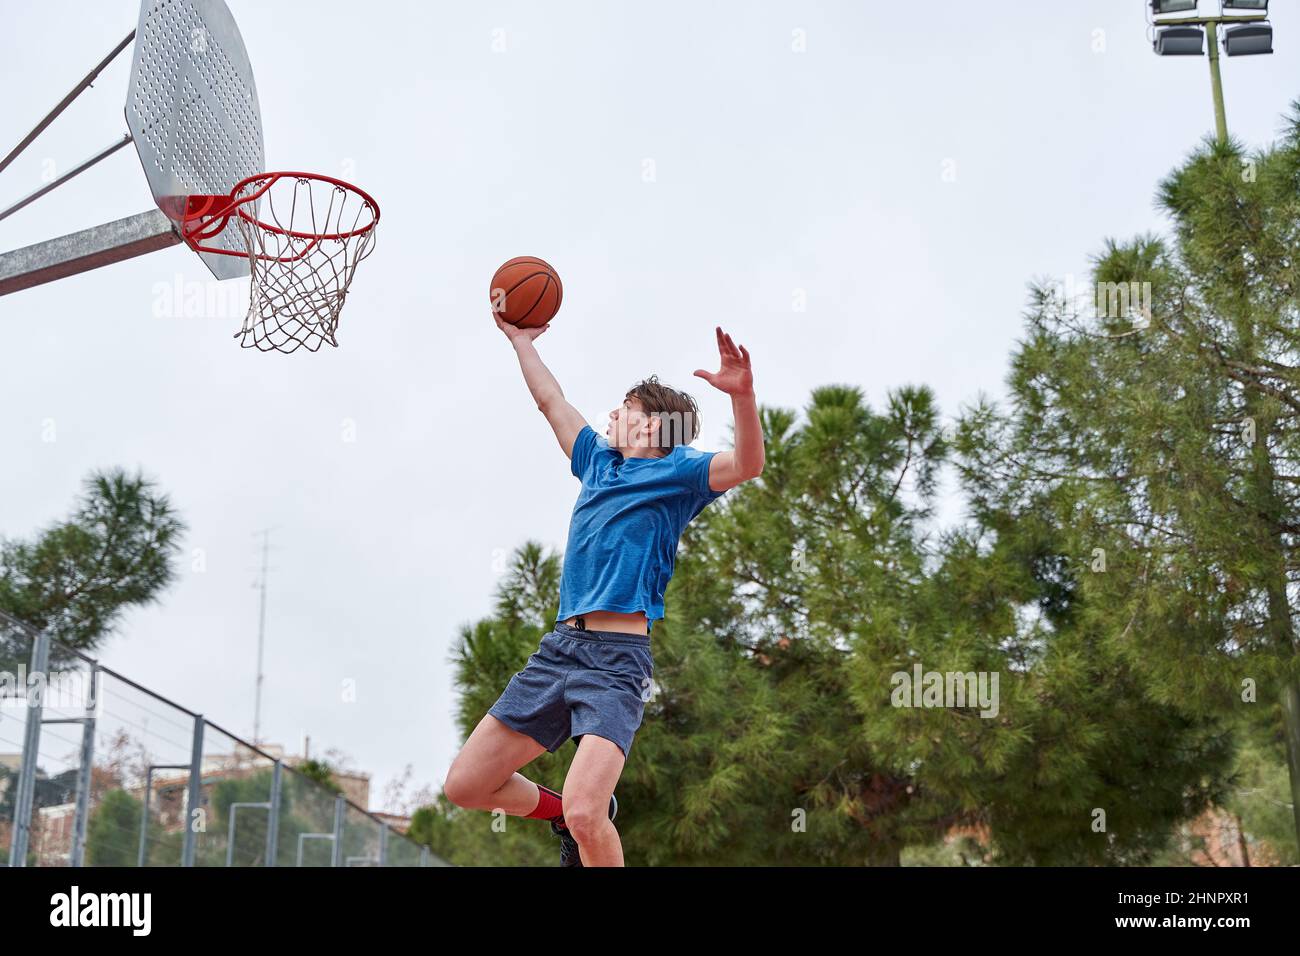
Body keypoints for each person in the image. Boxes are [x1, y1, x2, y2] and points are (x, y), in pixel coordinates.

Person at [443, 316, 764, 866]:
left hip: (617, 663)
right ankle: (557, 817)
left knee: (589, 811)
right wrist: (520, 342)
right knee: (466, 786)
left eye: (625, 408)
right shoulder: (597, 462)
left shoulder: (679, 474)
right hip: (558, 651)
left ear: (651, 428)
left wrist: (743, 396)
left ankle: (579, 817)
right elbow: (551, 401)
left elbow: (748, 464)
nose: (611, 414)